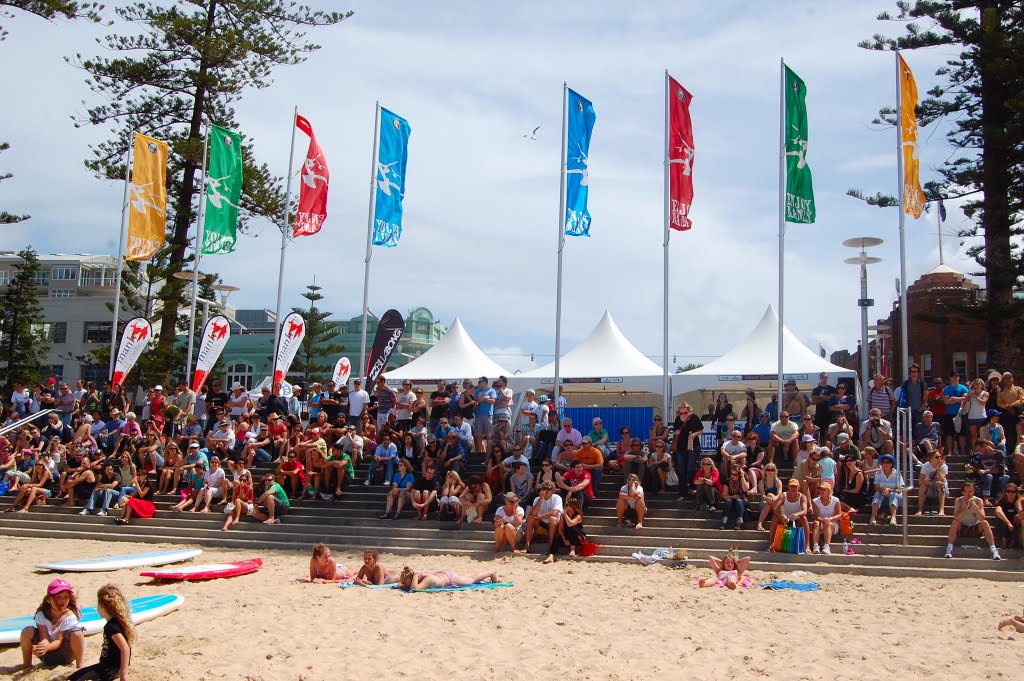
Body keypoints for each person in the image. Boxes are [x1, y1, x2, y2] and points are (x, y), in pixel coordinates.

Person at [68, 584, 134, 681]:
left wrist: (124, 674)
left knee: (74, 678)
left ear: (102, 605)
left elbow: (125, 648)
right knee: (78, 675)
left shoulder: (111, 627)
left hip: (109, 669)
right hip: (111, 667)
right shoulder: (117, 622)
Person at [18, 578, 85, 671]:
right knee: (27, 631)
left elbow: (59, 641)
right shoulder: (41, 615)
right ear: (49, 600)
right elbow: (44, 637)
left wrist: (46, 647)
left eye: (66, 597)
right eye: (59, 597)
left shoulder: (70, 616)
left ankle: (80, 666)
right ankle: (26, 664)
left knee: (77, 633)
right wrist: (40, 647)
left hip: (65, 655)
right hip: (47, 656)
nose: (63, 600)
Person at [944, 481, 1001, 559]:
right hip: (963, 528)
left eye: (971, 491)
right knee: (954, 523)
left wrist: (975, 507)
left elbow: (982, 518)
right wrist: (966, 507)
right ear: (963, 492)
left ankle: (993, 549)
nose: (969, 494)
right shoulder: (959, 501)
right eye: (967, 491)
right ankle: (949, 549)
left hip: (975, 528)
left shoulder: (978, 500)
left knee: (985, 523)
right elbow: (956, 517)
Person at [768, 479, 812, 550]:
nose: (793, 488)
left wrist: (797, 514)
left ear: (799, 487)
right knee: (775, 517)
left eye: (795, 486)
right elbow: (776, 508)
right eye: (791, 486)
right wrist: (782, 515)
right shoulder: (783, 495)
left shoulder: (802, 497)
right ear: (788, 486)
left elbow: (804, 511)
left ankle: (807, 546)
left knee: (804, 518)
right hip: (784, 520)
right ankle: (771, 543)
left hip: (797, 520)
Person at [672, 403, 704, 497]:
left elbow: (701, 430)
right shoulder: (678, 419)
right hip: (681, 447)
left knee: (690, 467)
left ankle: (693, 487)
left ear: (689, 411)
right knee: (681, 470)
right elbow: (674, 430)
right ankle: (682, 493)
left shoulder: (694, 417)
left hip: (693, 446)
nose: (683, 414)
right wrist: (676, 432)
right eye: (681, 413)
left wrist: (694, 434)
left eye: (685, 412)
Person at [524, 481, 563, 554]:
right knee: (531, 518)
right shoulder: (537, 499)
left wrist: (538, 517)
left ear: (553, 491)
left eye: (548, 489)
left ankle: (550, 547)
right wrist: (541, 498)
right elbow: (533, 513)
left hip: (554, 523)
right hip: (541, 522)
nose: (546, 491)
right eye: (544, 488)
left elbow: (554, 513)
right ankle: (527, 546)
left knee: (552, 519)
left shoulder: (557, 498)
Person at [544, 498, 587, 563]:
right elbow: (560, 528)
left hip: (578, 537)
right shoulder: (563, 516)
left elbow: (570, 524)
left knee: (572, 528)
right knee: (557, 537)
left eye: (567, 505)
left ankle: (572, 549)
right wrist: (564, 539)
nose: (566, 506)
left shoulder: (578, 516)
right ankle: (551, 555)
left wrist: (565, 514)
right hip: (567, 535)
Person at [398, 566, 499, 591]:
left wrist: (415, 574)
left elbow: (414, 589)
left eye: (408, 583)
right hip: (443, 575)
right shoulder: (421, 577)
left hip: (449, 579)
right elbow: (401, 585)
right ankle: (488, 573)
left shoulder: (426, 579)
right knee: (467, 577)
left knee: (471, 580)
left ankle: (491, 573)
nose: (407, 585)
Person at [870, 454, 905, 526]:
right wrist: (883, 491)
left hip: (896, 497)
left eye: (887, 462)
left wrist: (890, 490)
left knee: (893, 495)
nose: (884, 464)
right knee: (877, 494)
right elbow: (876, 488)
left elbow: (900, 489)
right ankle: (873, 517)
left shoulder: (897, 473)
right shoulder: (878, 473)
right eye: (883, 462)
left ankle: (893, 518)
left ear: (891, 464)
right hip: (882, 496)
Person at [942, 370, 969, 456]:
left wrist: (953, 398)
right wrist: (959, 399)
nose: (955, 378)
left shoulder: (963, 388)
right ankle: (949, 452)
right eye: (953, 377)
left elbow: (965, 399)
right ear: (950, 378)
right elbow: (946, 402)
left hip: (961, 413)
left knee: (962, 434)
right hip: (950, 413)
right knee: (949, 434)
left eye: (957, 377)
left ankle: (963, 453)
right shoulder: (947, 389)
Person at [811, 482, 842, 555]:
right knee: (816, 523)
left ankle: (827, 546)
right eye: (820, 489)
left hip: (833, 523)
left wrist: (830, 519)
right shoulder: (815, 501)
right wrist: (822, 520)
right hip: (821, 522)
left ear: (828, 490)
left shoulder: (836, 500)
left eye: (823, 489)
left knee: (828, 524)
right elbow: (816, 516)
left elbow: (839, 514)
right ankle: (815, 546)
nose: (821, 491)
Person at [916, 451, 949, 516]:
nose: (939, 458)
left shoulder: (944, 466)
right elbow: (920, 481)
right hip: (930, 488)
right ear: (931, 459)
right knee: (923, 486)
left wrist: (938, 468)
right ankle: (920, 510)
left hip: (942, 490)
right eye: (937, 457)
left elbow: (942, 480)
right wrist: (933, 483)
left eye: (940, 456)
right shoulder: (926, 466)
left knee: (940, 484)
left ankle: (942, 510)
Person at [721, 465, 750, 530]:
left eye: (735, 474)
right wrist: (732, 497)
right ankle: (724, 522)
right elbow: (725, 496)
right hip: (732, 500)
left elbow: (745, 489)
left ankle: (739, 523)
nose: (732, 476)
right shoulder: (728, 482)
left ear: (739, 475)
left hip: (743, 501)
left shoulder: (744, 480)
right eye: (731, 474)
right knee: (728, 501)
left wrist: (742, 476)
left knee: (739, 501)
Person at [756, 463, 782, 531]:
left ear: (775, 471)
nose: (770, 472)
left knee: (769, 499)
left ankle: (759, 524)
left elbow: (779, 494)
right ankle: (780, 518)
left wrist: (773, 499)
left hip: (775, 501)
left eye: (772, 470)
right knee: (767, 503)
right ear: (765, 471)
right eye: (768, 470)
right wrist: (768, 498)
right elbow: (763, 496)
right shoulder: (761, 482)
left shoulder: (777, 481)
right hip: (765, 501)